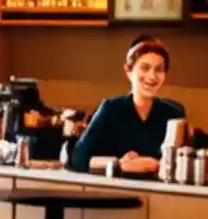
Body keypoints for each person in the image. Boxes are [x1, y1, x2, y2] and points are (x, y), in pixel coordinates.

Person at [70, 35, 186, 174]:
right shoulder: (110, 109)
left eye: (158, 69)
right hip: (116, 191)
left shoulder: (174, 114)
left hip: (160, 193)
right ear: (129, 71)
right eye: (145, 68)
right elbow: (78, 158)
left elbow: (185, 165)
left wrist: (156, 165)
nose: (152, 76)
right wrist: (118, 164)